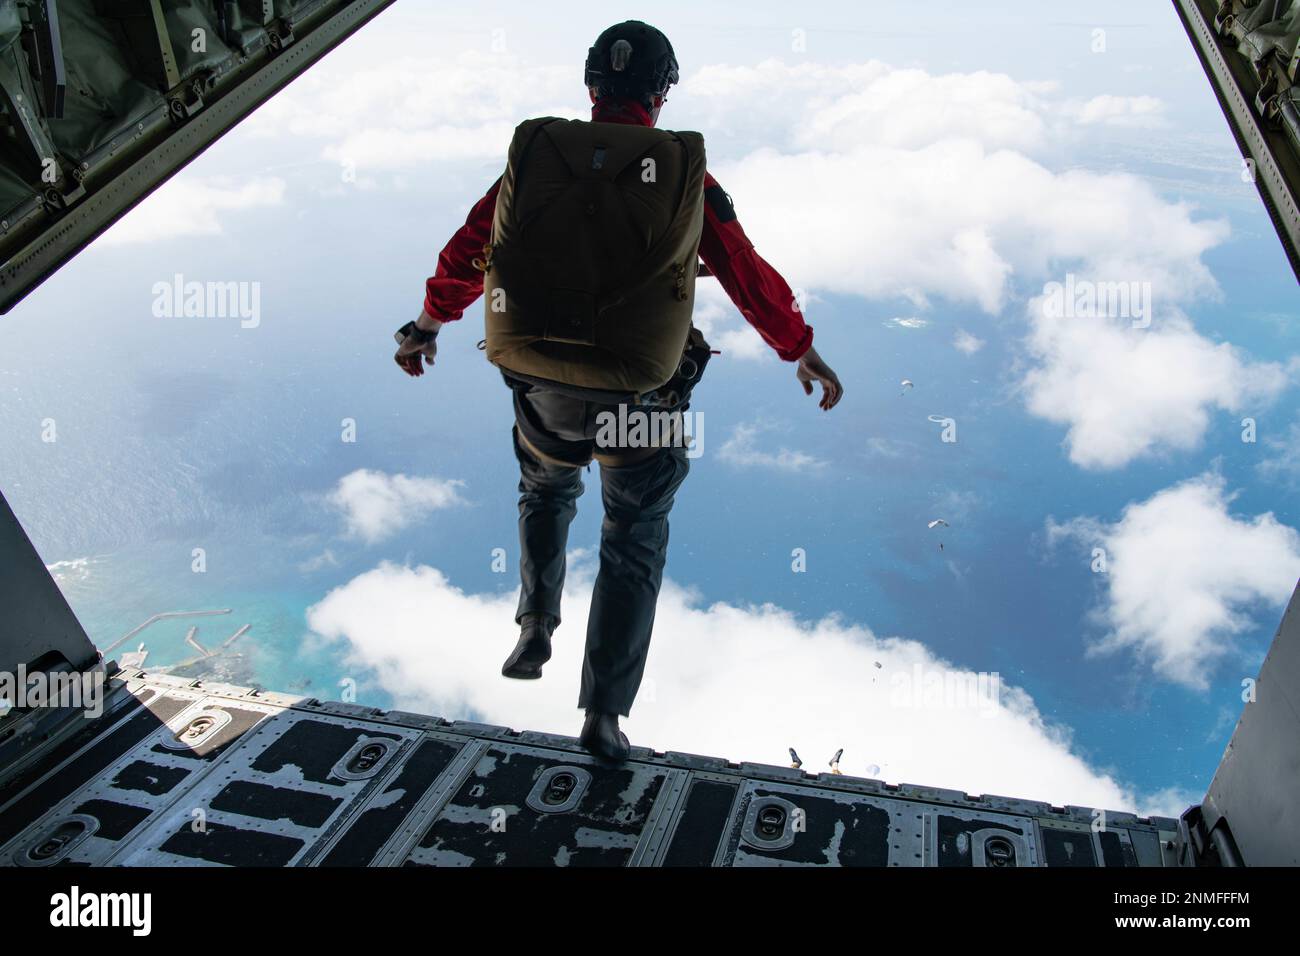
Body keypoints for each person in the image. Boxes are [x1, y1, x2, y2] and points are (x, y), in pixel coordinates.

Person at [395, 20, 843, 762]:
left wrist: (425, 327)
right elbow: (744, 271)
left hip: (542, 389)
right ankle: (603, 715)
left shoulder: (538, 158)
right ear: (662, 93)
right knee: (633, 537)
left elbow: (469, 251)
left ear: (590, 86)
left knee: (545, 490)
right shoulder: (682, 171)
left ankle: (536, 621)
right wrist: (802, 350)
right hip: (643, 402)